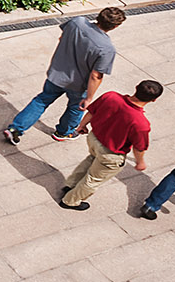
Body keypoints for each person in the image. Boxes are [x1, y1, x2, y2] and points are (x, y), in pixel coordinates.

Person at [2, 7, 124, 145]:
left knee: (41, 101)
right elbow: (96, 75)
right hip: (78, 84)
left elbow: (62, 37)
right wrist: (89, 98)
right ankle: (64, 132)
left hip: (56, 73)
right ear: (115, 26)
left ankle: (15, 129)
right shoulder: (107, 48)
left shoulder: (77, 22)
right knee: (75, 108)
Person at [60, 79, 162, 210]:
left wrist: (81, 126)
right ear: (154, 100)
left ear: (136, 87)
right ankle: (70, 201)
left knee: (91, 160)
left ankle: (70, 185)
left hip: (94, 139)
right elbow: (139, 147)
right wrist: (140, 162)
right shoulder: (141, 123)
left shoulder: (111, 96)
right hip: (111, 154)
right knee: (93, 179)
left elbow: (92, 111)